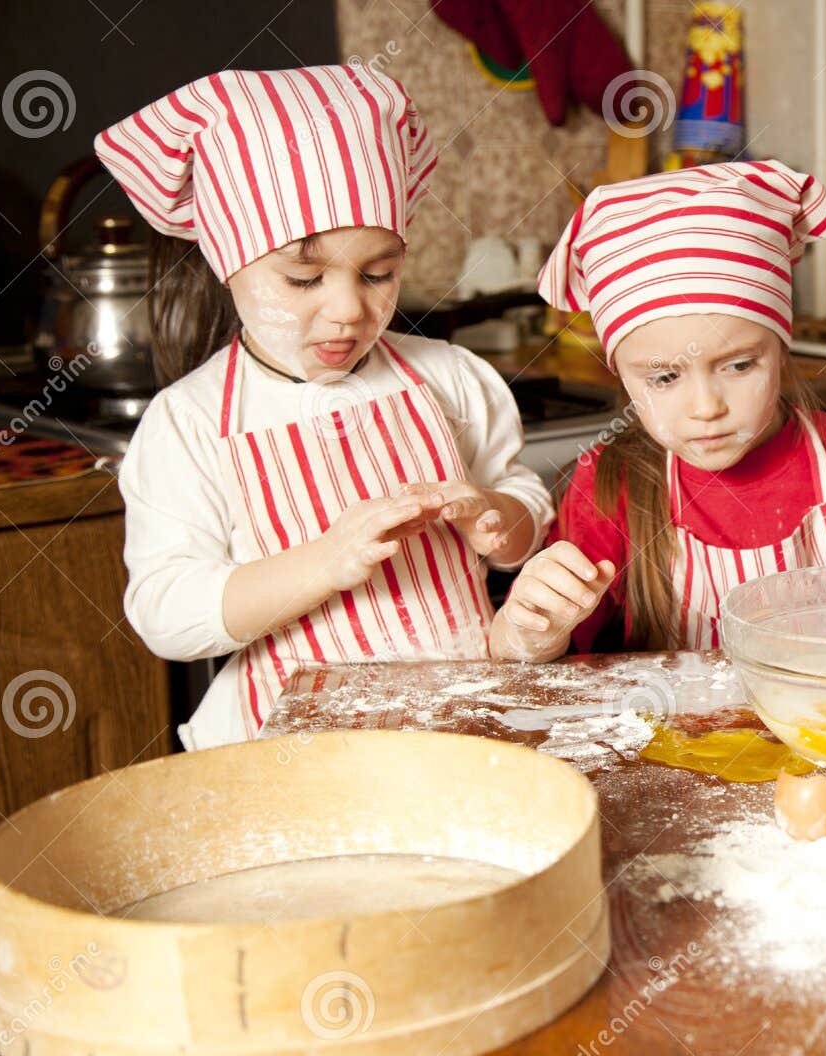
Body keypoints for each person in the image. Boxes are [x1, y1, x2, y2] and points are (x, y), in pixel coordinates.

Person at [100, 66, 554, 747]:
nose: (348, 309)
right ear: (230, 263)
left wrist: (499, 517)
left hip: (463, 733)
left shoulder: (449, 376)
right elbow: (167, 613)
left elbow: (524, 508)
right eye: (303, 278)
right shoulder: (191, 423)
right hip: (291, 761)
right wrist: (326, 561)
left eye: (378, 273)